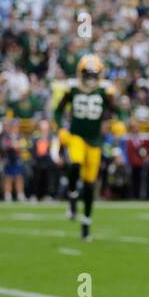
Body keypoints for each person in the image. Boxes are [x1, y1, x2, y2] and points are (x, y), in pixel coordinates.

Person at [55, 54, 113, 239]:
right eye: (87, 74)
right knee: (75, 164)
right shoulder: (72, 89)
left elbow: (117, 111)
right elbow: (58, 111)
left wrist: (112, 122)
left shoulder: (105, 91)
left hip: (95, 141)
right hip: (77, 136)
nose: (90, 78)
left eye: (93, 74)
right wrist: (61, 128)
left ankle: (86, 221)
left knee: (90, 184)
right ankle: (72, 196)